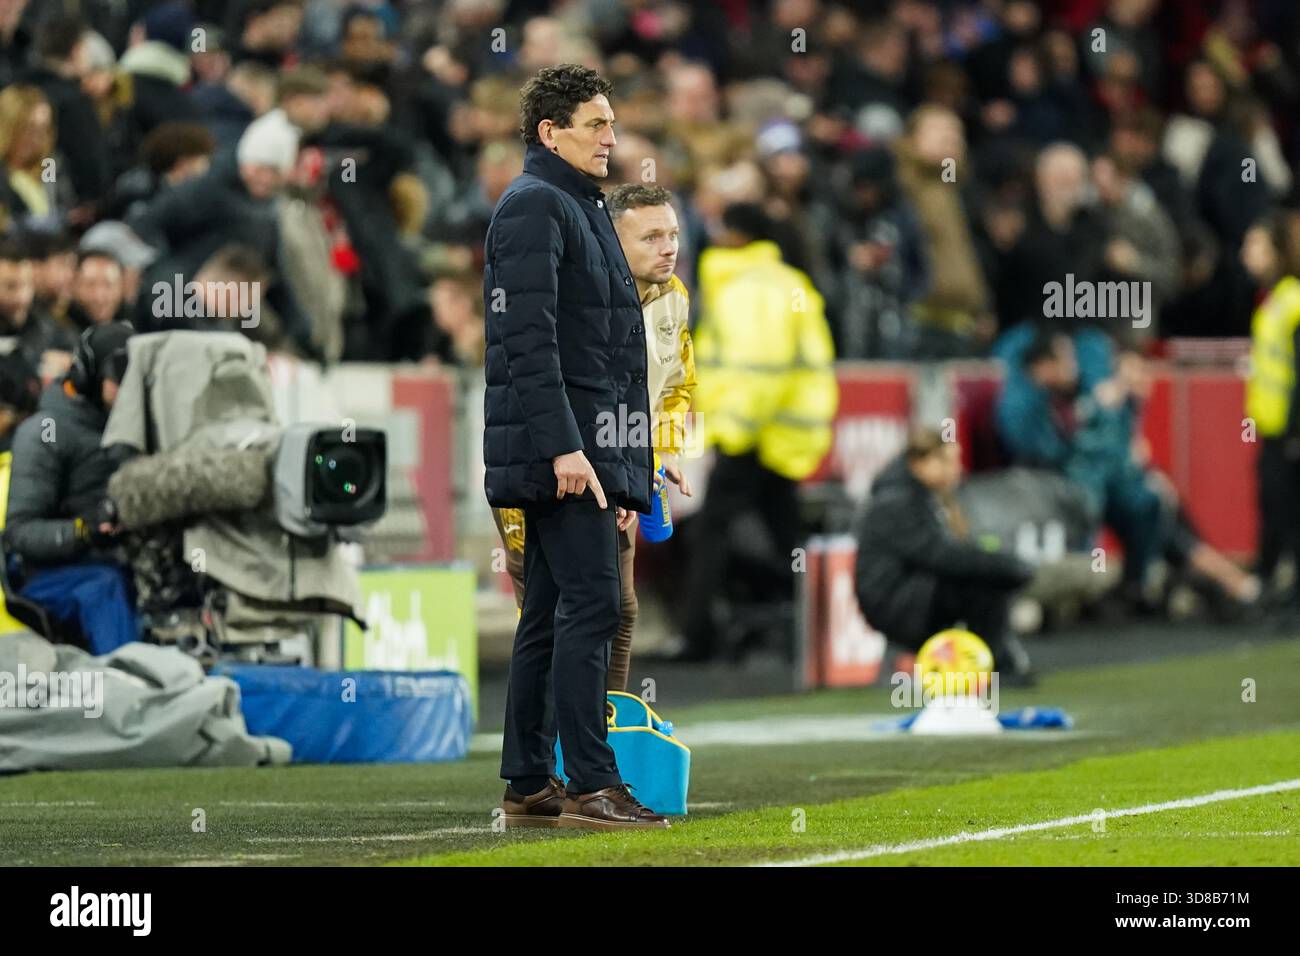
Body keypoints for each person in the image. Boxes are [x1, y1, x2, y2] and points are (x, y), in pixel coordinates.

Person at [484, 65, 666, 831]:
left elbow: (604, 351)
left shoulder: (574, 205)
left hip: (586, 448)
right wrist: (567, 450)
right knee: (593, 605)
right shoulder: (536, 207)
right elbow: (528, 343)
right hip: (564, 453)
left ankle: (529, 779)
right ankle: (593, 781)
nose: (612, 139)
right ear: (549, 132)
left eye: (613, 124)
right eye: (596, 124)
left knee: (552, 613)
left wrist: (633, 463)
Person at [491, 182, 696, 694]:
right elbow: (550, 385)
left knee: (619, 609)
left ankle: (605, 728)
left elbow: (675, 383)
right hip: (557, 471)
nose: (668, 247)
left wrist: (661, 448)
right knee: (552, 615)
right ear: (611, 239)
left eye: (672, 234)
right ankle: (551, 745)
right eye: (651, 237)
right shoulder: (582, 300)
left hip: (622, 468)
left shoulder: (674, 299)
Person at [676, 202, 838, 661]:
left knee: (712, 529)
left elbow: (758, 370)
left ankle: (697, 637)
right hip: (780, 437)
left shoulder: (746, 290)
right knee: (785, 533)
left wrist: (734, 432)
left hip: (751, 435)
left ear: (736, 234)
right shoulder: (785, 283)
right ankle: (816, 631)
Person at [854, 427, 1036, 683]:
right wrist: (1005, 566)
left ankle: (993, 665)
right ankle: (996, 670)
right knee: (983, 586)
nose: (956, 469)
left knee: (986, 579)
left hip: (910, 594)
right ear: (921, 462)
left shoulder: (920, 496)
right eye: (948, 461)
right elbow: (937, 555)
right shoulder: (898, 501)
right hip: (895, 603)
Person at [4, 322, 140, 654]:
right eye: (118, 382)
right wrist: (85, 531)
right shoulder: (44, 434)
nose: (128, 393)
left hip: (125, 562)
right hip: (53, 575)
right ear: (88, 377)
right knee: (104, 588)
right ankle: (130, 687)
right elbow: (20, 533)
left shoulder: (134, 424)